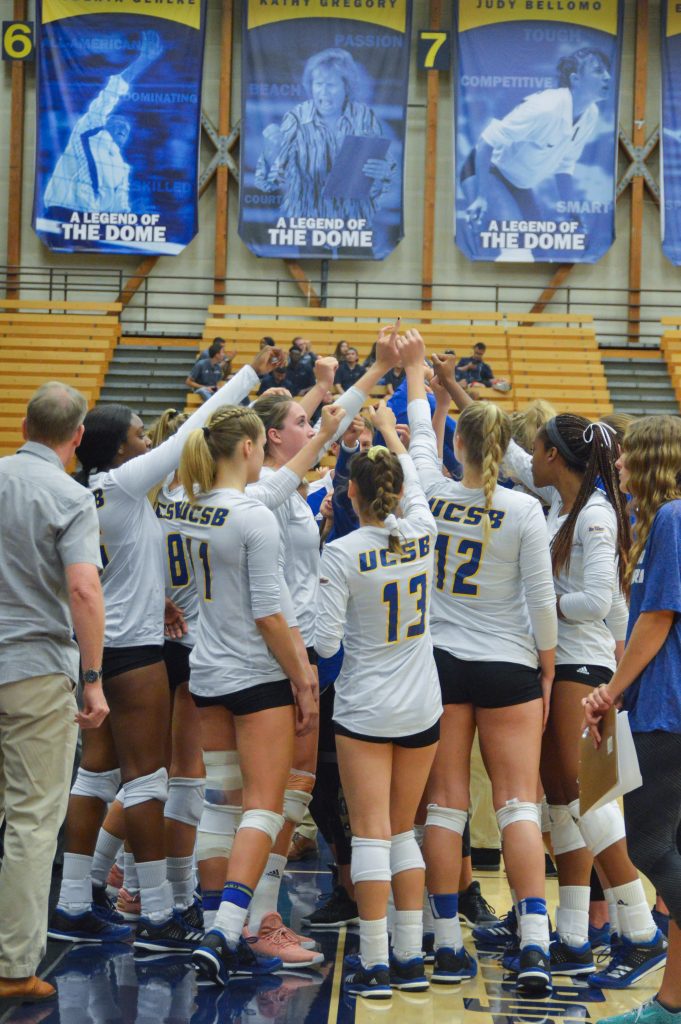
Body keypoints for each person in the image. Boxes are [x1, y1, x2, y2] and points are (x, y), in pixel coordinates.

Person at [49, 346, 284, 954]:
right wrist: (250, 375)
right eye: (133, 435)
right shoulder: (127, 484)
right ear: (116, 449)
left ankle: (75, 898)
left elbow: (99, 572)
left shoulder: (86, 494)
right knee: (148, 781)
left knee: (95, 777)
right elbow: (191, 429)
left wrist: (151, 596)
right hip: (133, 655)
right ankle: (157, 911)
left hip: (94, 647)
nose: (141, 440)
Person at [487, 392, 666, 986]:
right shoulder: (562, 502)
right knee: (563, 805)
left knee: (592, 802)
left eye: (538, 446)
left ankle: (639, 931)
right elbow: (509, 459)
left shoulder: (592, 513)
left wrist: (536, 603)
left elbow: (598, 601)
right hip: (565, 666)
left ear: (556, 456)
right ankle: (571, 935)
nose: (529, 456)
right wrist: (453, 395)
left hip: (583, 670)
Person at [405, 334, 557, 993]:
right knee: (519, 804)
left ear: (459, 445)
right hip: (508, 668)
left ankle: (444, 946)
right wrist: (547, 674)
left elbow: (415, 432)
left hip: (440, 666)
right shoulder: (525, 507)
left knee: (444, 807)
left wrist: (421, 379)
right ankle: (533, 945)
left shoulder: (431, 495)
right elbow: (541, 603)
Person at [184, 405, 341, 986]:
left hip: (207, 673)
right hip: (257, 676)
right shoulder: (254, 518)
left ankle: (212, 922)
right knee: (263, 806)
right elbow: (272, 614)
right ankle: (228, 930)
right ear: (251, 446)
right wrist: (303, 677)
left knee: (219, 804)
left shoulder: (187, 504)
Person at [315, 400, 442, 1000]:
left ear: (352, 496)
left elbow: (324, 642)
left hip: (365, 706)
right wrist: (394, 434)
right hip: (423, 705)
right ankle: (411, 957)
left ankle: (374, 964)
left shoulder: (340, 554)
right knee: (401, 834)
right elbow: (417, 482)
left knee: (368, 834)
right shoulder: (424, 533)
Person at [0, 382, 107, 1003]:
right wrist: (92, 678)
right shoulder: (70, 496)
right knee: (34, 820)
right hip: (36, 668)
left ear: (23, 422)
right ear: (77, 437)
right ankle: (14, 964)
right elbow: (84, 591)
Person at [583, 416, 681, 1024]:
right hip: (658, 703)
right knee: (673, 853)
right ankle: (671, 1005)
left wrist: (611, 693)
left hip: (666, 710)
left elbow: (658, 619)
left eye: (626, 458)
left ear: (649, 459)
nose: (618, 467)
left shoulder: (672, 518)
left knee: (647, 843)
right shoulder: (658, 523)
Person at [462, 48, 612, 257]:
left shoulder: (590, 115)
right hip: (487, 171)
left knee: (542, 254)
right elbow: (486, 142)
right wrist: (481, 196)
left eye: (607, 71)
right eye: (598, 71)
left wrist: (572, 211)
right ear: (576, 79)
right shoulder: (545, 108)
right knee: (516, 249)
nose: (608, 76)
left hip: (520, 185)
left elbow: (565, 167)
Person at [255, 48, 394, 223]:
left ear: (347, 88)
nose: (323, 92)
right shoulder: (294, 124)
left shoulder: (371, 127)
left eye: (331, 85)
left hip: (355, 223)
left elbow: (391, 191)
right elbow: (275, 184)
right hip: (308, 219)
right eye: (318, 84)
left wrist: (381, 179)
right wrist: (272, 153)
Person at [43, 31, 163, 218]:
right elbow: (110, 94)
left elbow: (120, 209)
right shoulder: (89, 131)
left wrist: (134, 216)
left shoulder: (123, 168)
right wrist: (143, 60)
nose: (124, 127)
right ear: (105, 124)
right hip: (61, 212)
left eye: (127, 128)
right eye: (118, 123)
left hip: (91, 224)